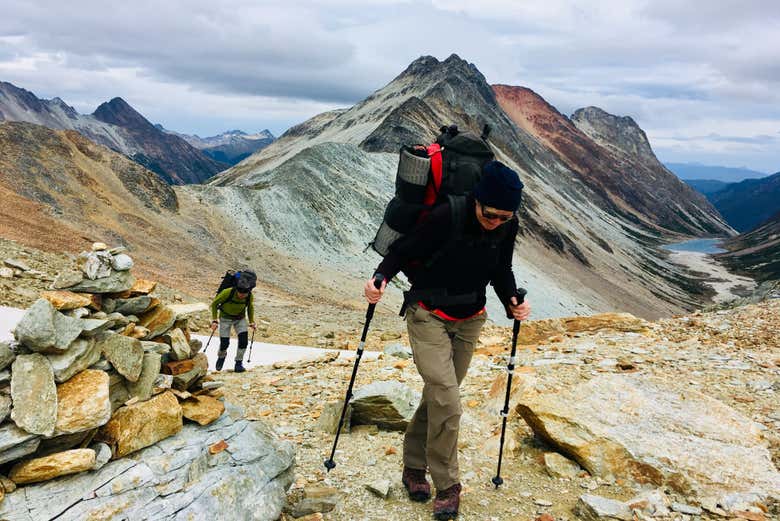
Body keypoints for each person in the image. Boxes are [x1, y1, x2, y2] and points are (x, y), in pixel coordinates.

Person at [364, 160, 531, 520]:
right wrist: (379, 278)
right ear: (476, 200)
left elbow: (501, 268)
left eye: (505, 217)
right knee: (448, 399)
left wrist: (512, 300)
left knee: (439, 396)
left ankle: (411, 466)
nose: (496, 222)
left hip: (471, 319)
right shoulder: (445, 216)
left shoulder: (507, 224)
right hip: (427, 315)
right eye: (491, 214)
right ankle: (448, 485)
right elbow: (402, 251)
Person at [210, 282, 256, 373]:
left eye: (245, 294)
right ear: (237, 291)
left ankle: (238, 363)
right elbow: (214, 304)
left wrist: (251, 321)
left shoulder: (249, 295)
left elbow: (250, 307)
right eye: (240, 294)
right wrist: (214, 320)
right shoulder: (227, 292)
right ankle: (221, 357)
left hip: (240, 319)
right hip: (225, 318)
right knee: (224, 343)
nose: (242, 296)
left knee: (243, 341)